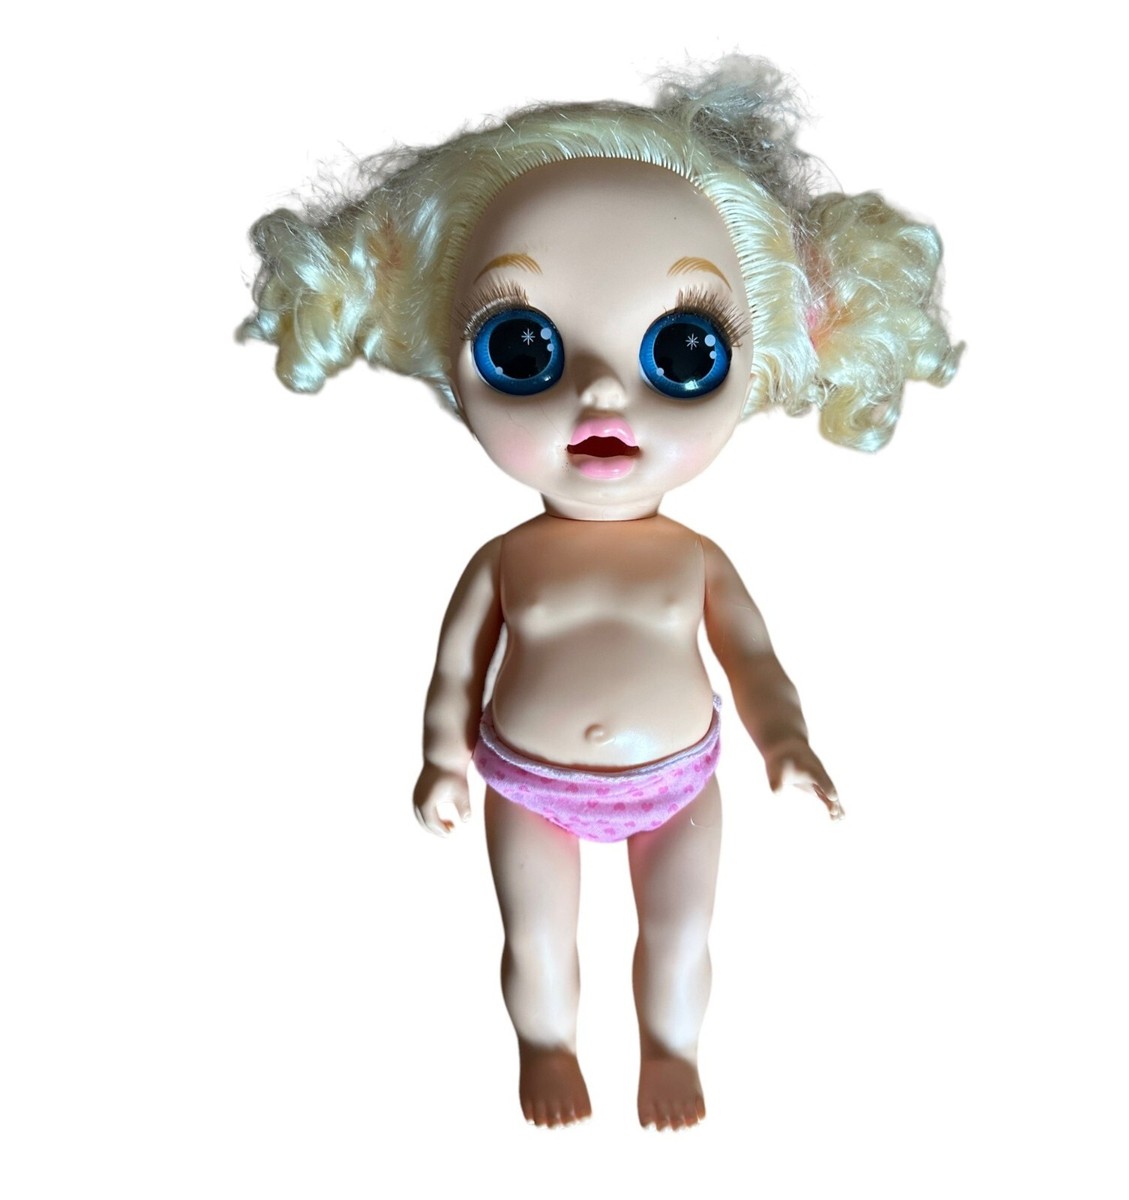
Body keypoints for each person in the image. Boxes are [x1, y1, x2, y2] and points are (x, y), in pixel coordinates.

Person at [241, 58, 958, 1130]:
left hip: (680, 780)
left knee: (680, 933)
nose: (604, 390)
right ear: (445, 357)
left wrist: (787, 742)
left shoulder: (695, 560)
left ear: (773, 351)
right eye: (522, 349)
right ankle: (547, 1047)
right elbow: (455, 668)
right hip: (527, 782)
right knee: (537, 936)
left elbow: (754, 661)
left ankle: (671, 1050)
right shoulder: (507, 561)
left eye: (684, 351)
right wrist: (440, 761)